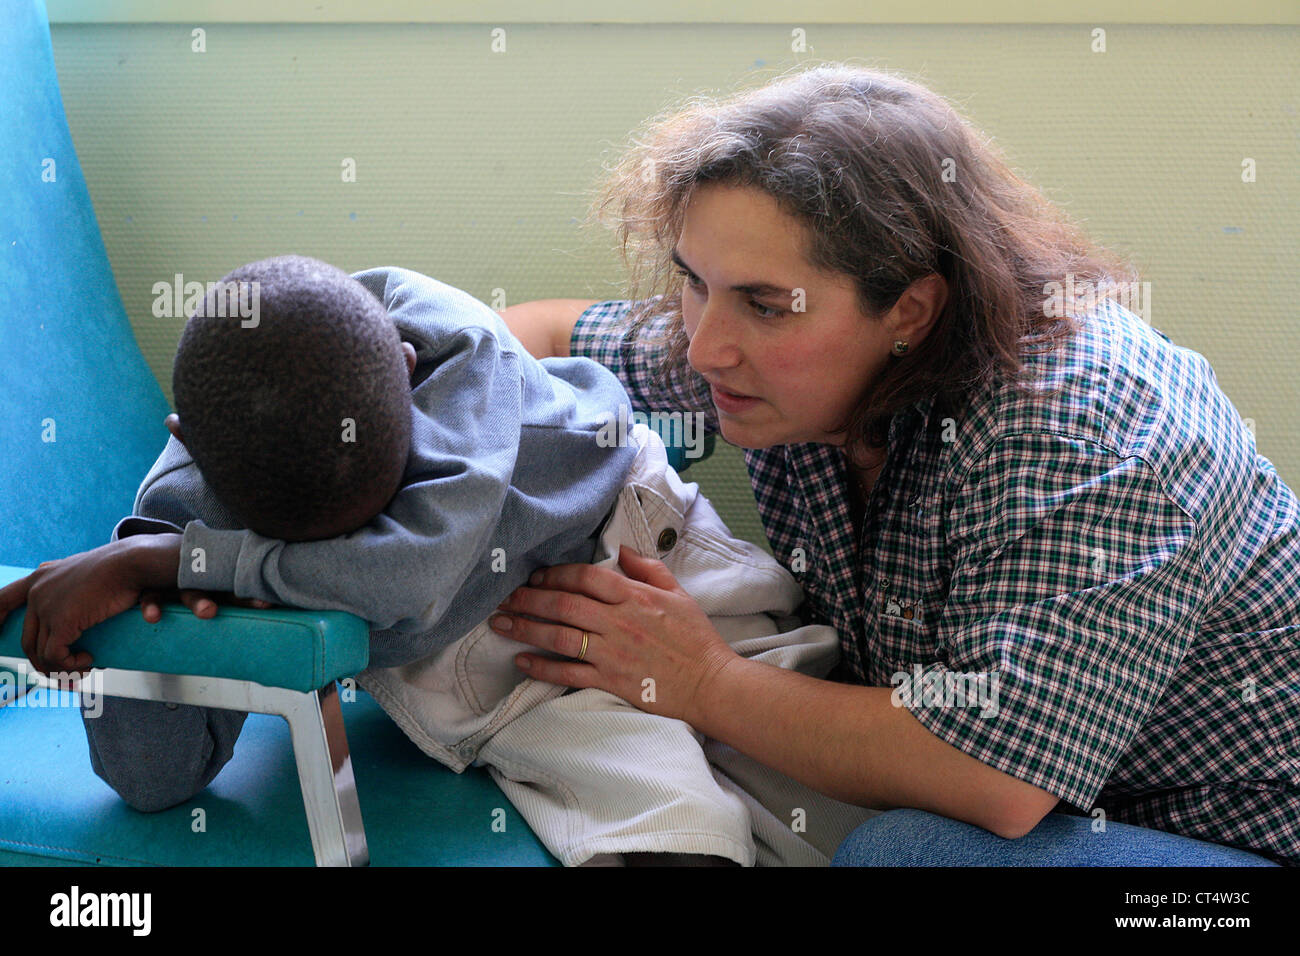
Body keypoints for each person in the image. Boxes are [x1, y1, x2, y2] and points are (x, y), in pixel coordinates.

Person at [495, 63, 1299, 866]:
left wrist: (699, 678)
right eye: (694, 283)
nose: (705, 346)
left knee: (907, 853)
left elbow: (992, 775)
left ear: (910, 309)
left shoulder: (1087, 437)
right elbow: (542, 337)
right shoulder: (772, 354)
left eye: (765, 305)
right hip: (1063, 811)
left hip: (1226, 850)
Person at [1, 254, 875, 866]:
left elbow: (404, 576)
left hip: (628, 548)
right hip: (505, 670)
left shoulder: (461, 352)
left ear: (408, 371)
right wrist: (142, 643)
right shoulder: (192, 501)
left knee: (835, 810)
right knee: (673, 833)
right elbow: (153, 783)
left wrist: (193, 565)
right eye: (308, 544)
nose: (358, 543)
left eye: (387, 502)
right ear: (190, 447)